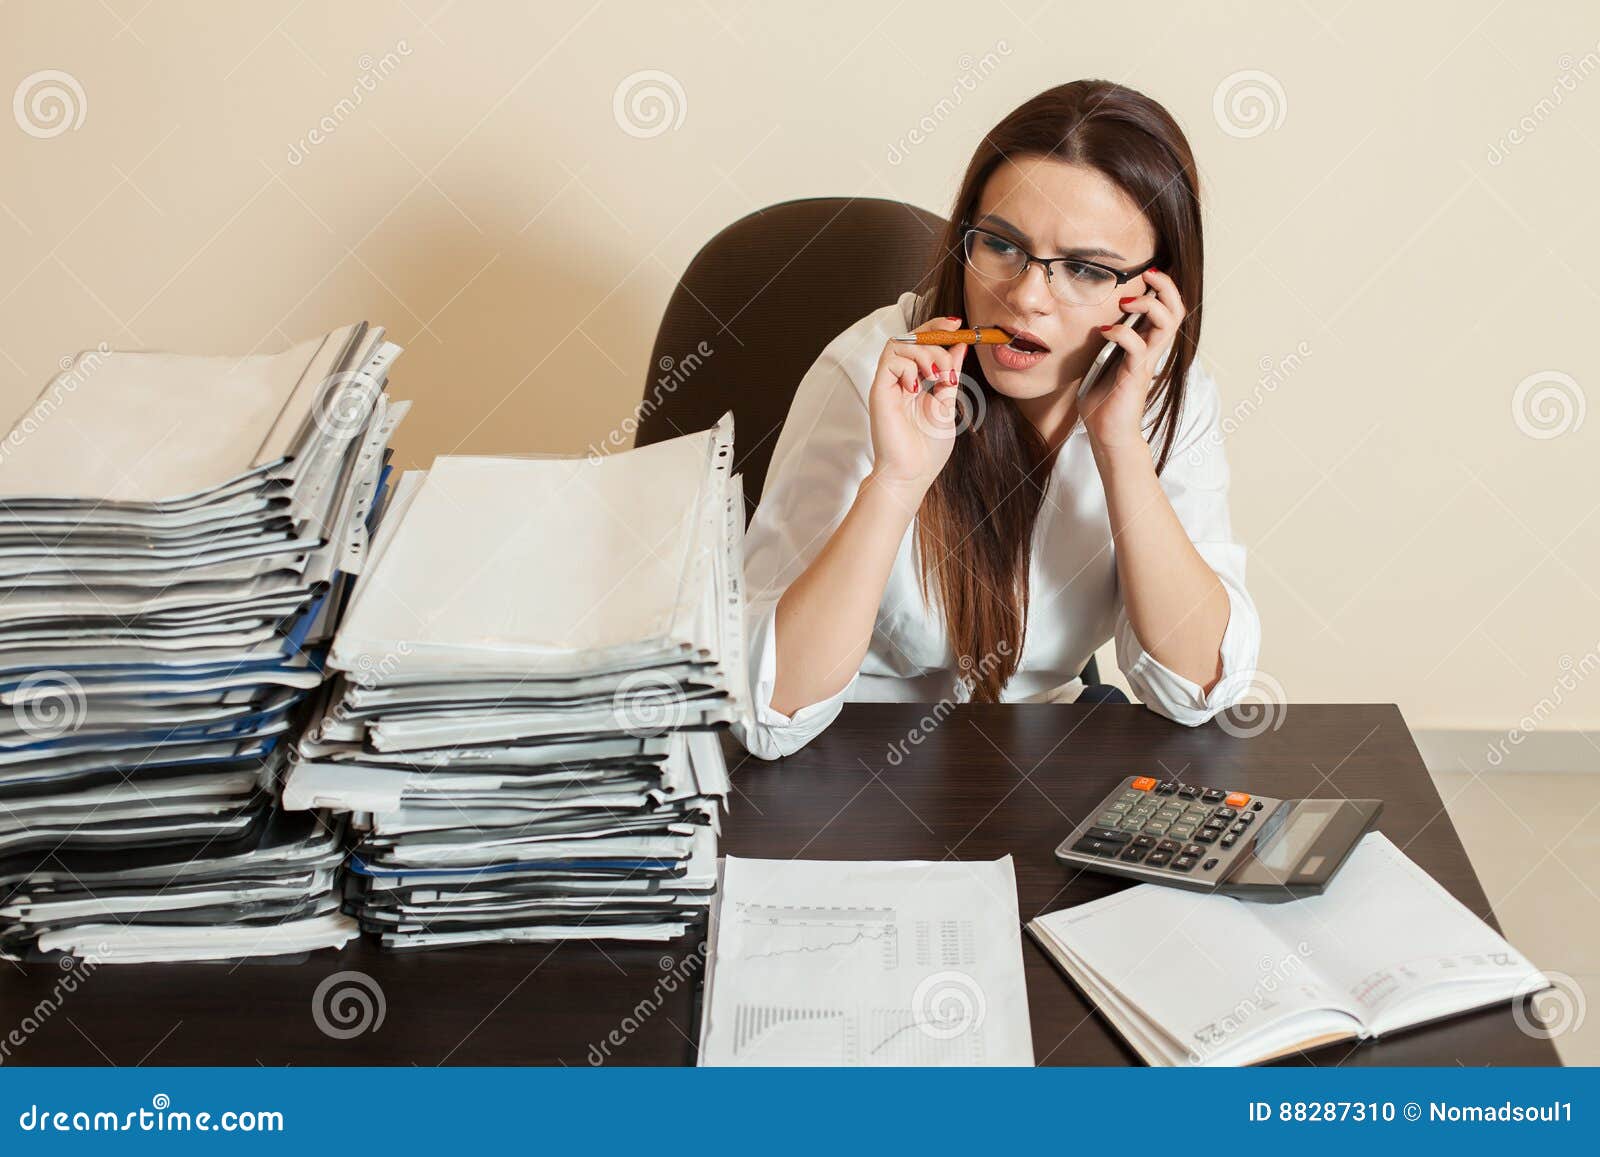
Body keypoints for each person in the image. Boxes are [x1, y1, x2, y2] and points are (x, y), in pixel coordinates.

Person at [733, 79, 1261, 761]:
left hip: (1037, 760)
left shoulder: (1161, 397)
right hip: (849, 762)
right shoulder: (871, 373)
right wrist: (897, 479)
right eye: (1002, 245)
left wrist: (1119, 445)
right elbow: (765, 713)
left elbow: (1199, 690)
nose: (1026, 297)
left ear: (1152, 291)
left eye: (1084, 269)